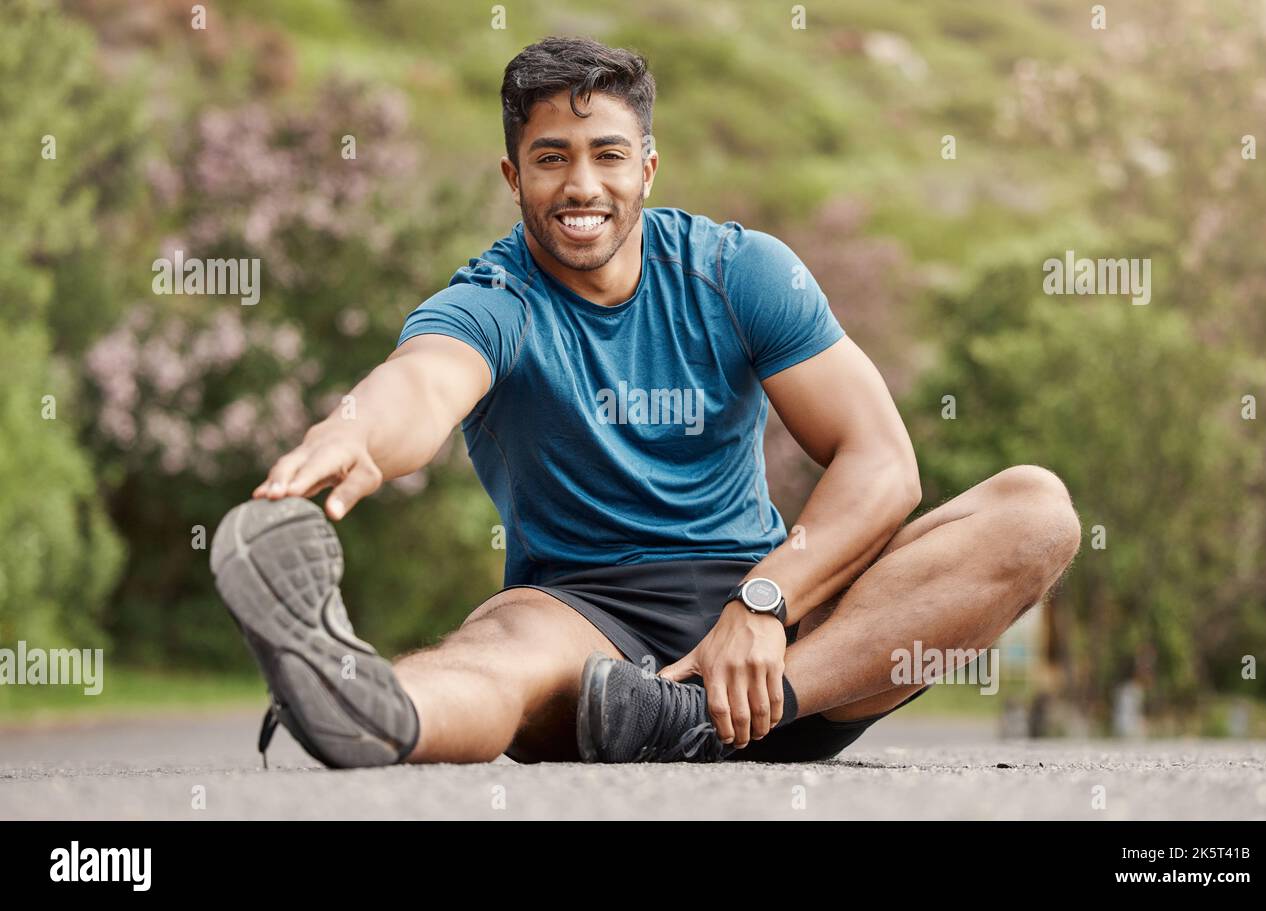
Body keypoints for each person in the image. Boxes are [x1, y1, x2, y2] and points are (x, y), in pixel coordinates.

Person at [210, 36, 1081, 768]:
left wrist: (762, 603)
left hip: (788, 635)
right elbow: (427, 380)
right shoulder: (494, 299)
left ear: (649, 167)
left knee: (1036, 512)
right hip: (591, 642)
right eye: (552, 158)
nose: (582, 185)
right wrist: (353, 431)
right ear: (513, 177)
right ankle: (364, 705)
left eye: (607, 155)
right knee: (501, 651)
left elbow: (883, 462)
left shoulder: (739, 270)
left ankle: (724, 712)